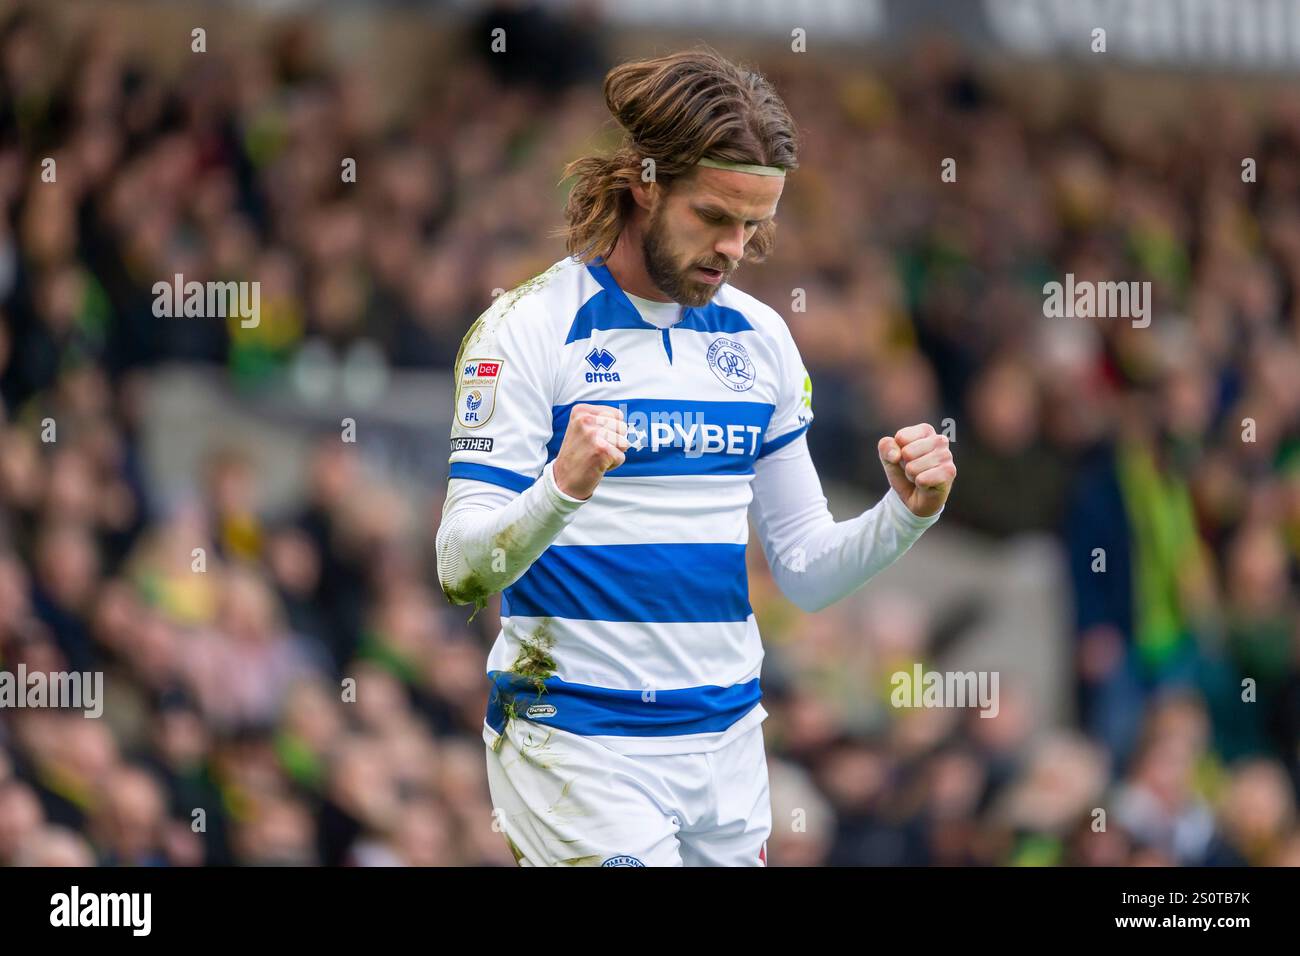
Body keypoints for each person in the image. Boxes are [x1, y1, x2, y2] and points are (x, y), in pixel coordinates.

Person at [435, 48, 955, 866]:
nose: (734, 247)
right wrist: (560, 489)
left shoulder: (762, 340)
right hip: (577, 742)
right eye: (714, 216)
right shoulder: (526, 331)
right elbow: (461, 565)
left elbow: (807, 570)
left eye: (753, 226)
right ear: (645, 180)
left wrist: (907, 515)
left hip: (726, 749)